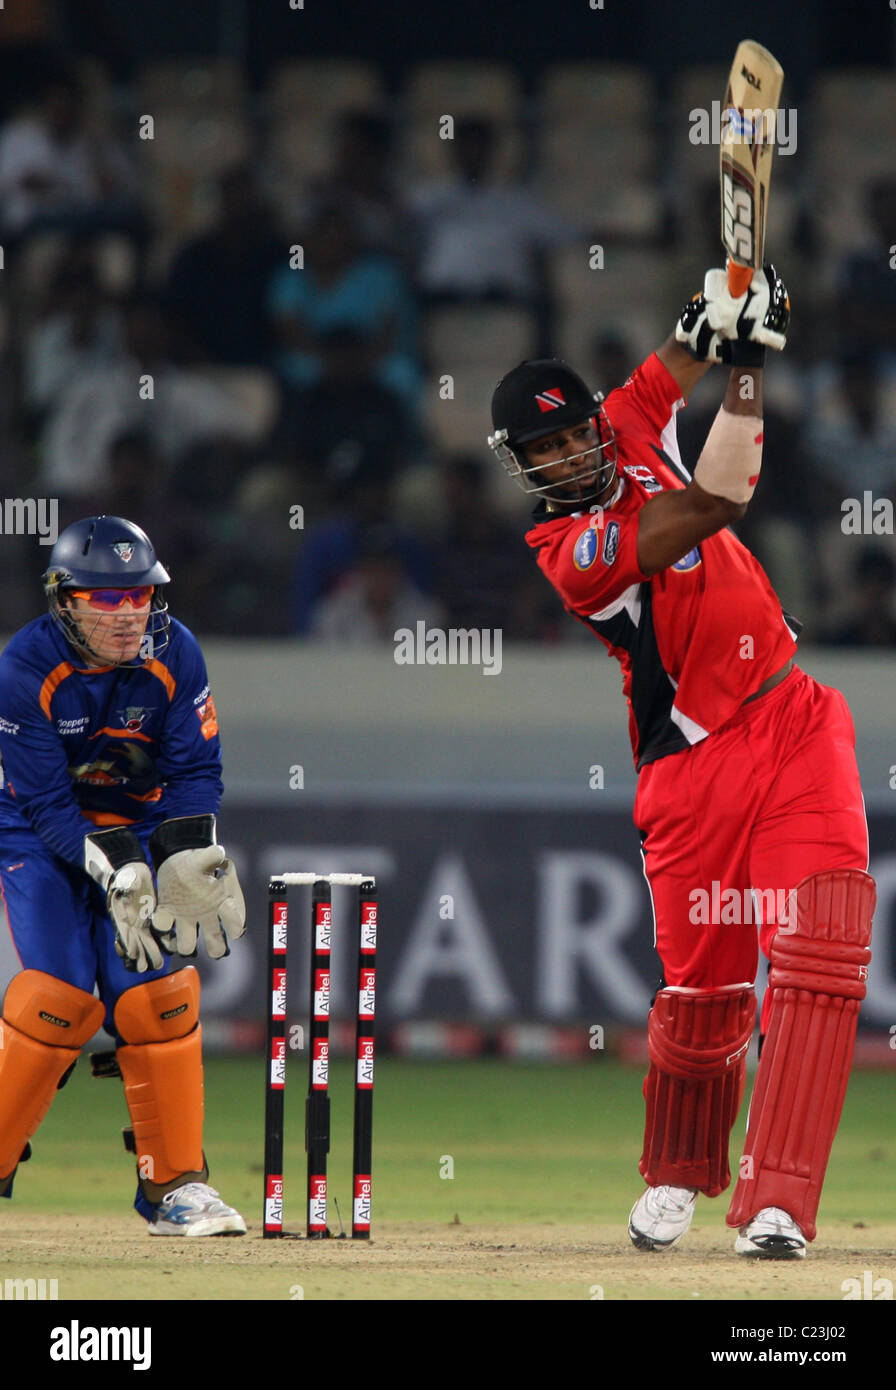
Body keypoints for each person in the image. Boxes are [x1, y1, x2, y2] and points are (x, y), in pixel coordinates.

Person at [488, 267, 876, 1258]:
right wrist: (746, 369)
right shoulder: (565, 547)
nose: (572, 452)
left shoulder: (624, 421)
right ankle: (675, 1173)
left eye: (573, 430)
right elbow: (714, 502)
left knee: (819, 951)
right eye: (545, 448)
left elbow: (678, 352)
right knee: (702, 995)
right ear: (523, 466)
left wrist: (732, 303)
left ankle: (777, 1200)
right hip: (689, 771)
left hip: (791, 720)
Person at [0, 516, 248, 1236]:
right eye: (105, 600)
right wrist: (114, 871)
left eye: (138, 596)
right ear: (66, 601)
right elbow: (46, 804)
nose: (127, 613)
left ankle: (176, 1189)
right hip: (35, 836)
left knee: (158, 1000)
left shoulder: (178, 652)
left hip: (135, 829)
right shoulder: (25, 665)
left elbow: (197, 770)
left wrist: (187, 851)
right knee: (58, 1002)